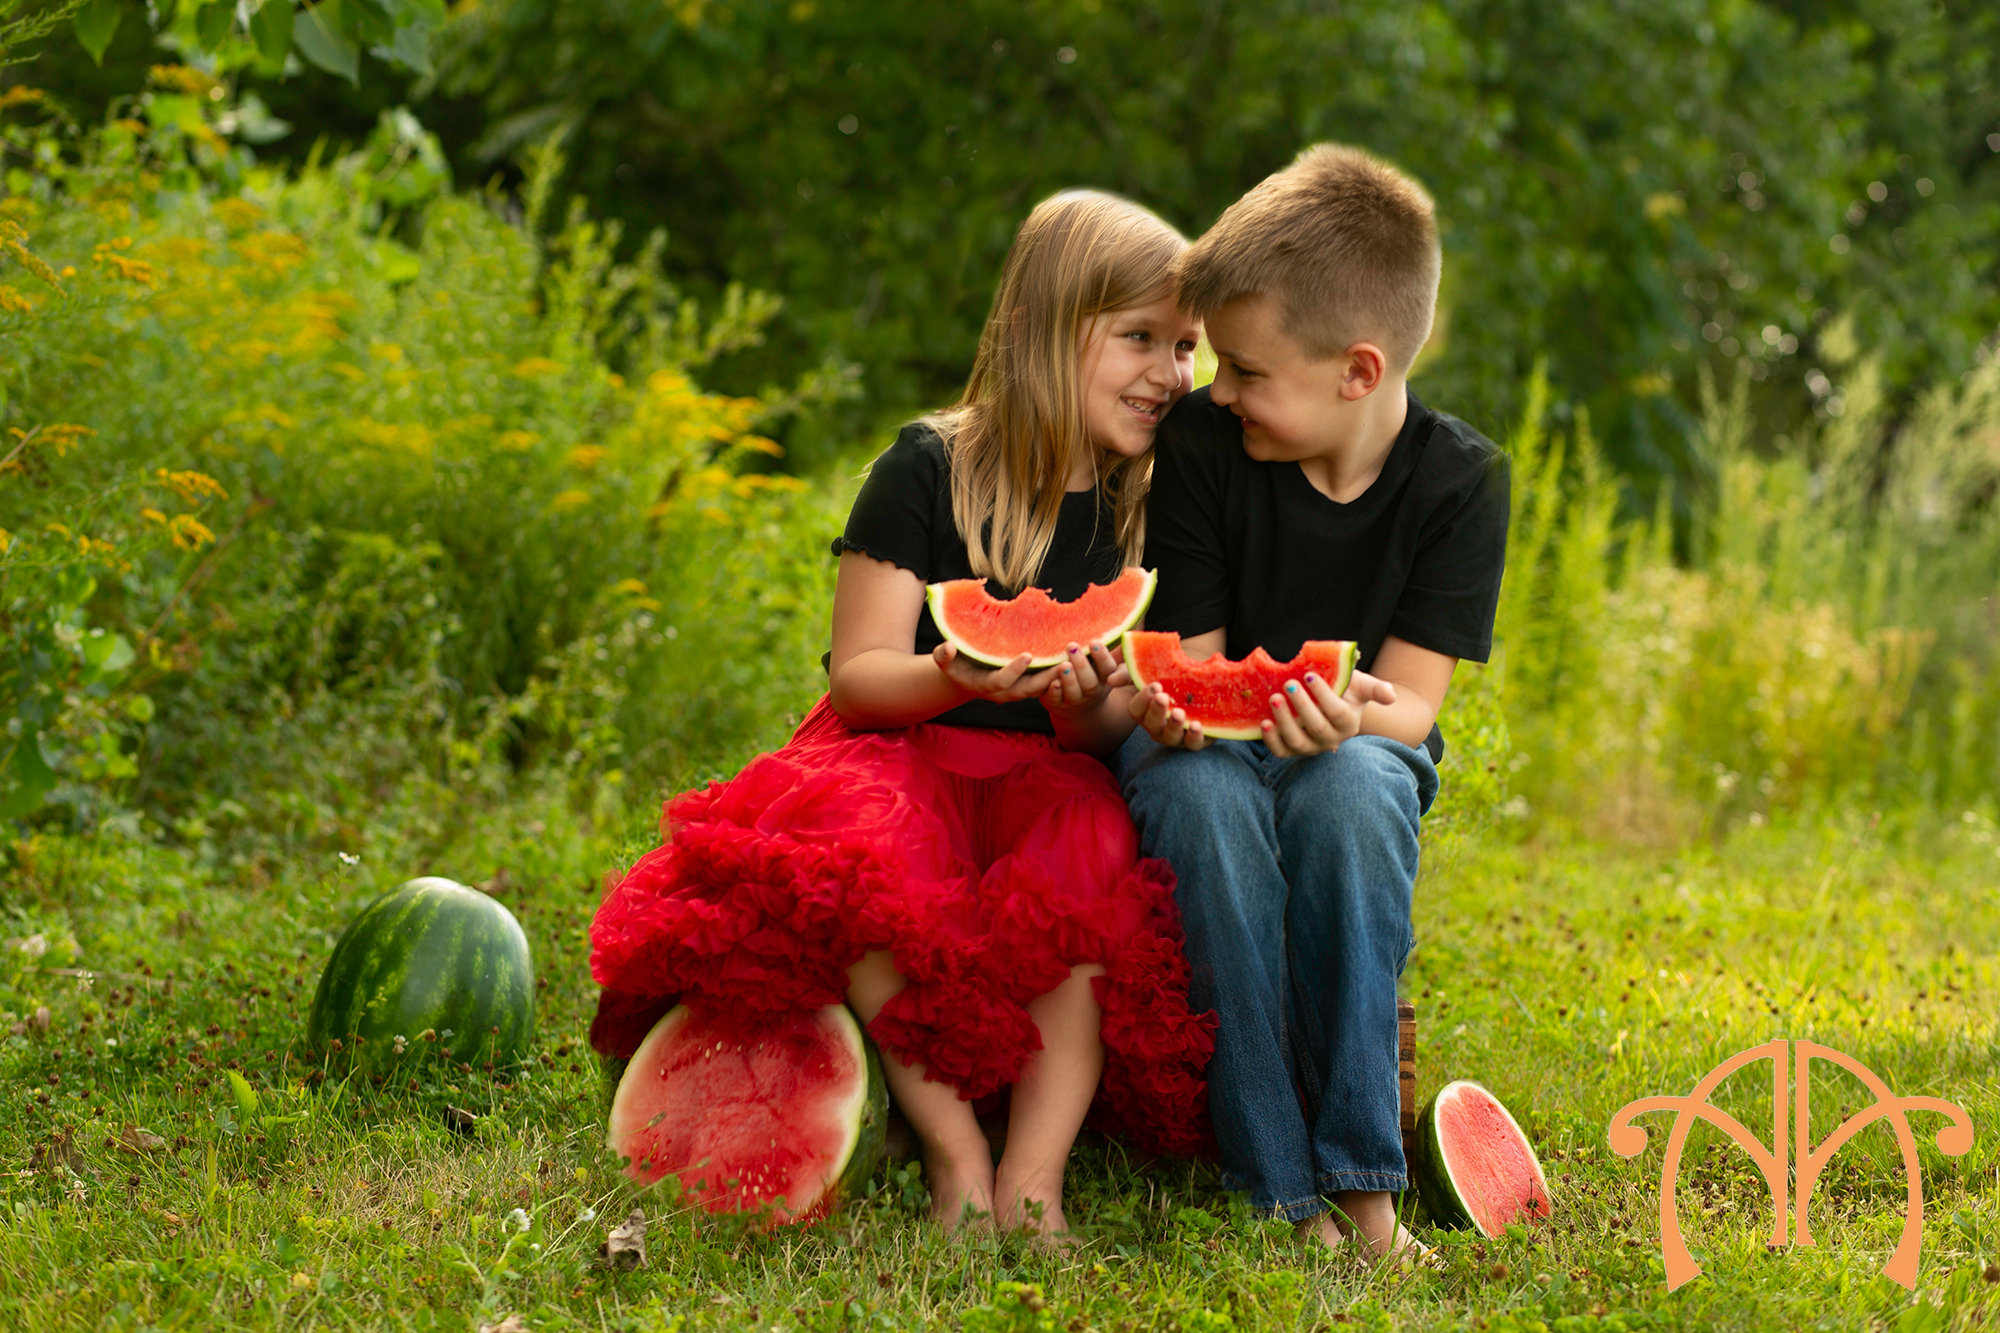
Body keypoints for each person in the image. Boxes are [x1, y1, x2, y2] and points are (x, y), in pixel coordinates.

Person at [589, 189, 1216, 1238]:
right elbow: (859, 675)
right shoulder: (926, 468)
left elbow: (1111, 726)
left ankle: (1034, 1174)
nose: (1171, 373)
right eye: (1140, 338)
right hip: (903, 749)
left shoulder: (1146, 508)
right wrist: (955, 677)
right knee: (862, 859)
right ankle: (953, 1153)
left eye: (1187, 347)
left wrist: (1082, 710)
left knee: (1095, 853)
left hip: (1046, 777)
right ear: (1041, 333)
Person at [1113, 144, 1510, 1260]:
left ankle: (1363, 1184)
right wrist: (1180, 707)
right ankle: (1275, 1188)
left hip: (1362, 741)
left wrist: (1338, 722)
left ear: (1356, 369)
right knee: (1197, 797)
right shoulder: (1204, 443)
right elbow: (1190, 670)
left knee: (1351, 789)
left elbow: (1410, 706)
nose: (1212, 389)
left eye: (1243, 370)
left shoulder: (1461, 482)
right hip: (1197, 743)